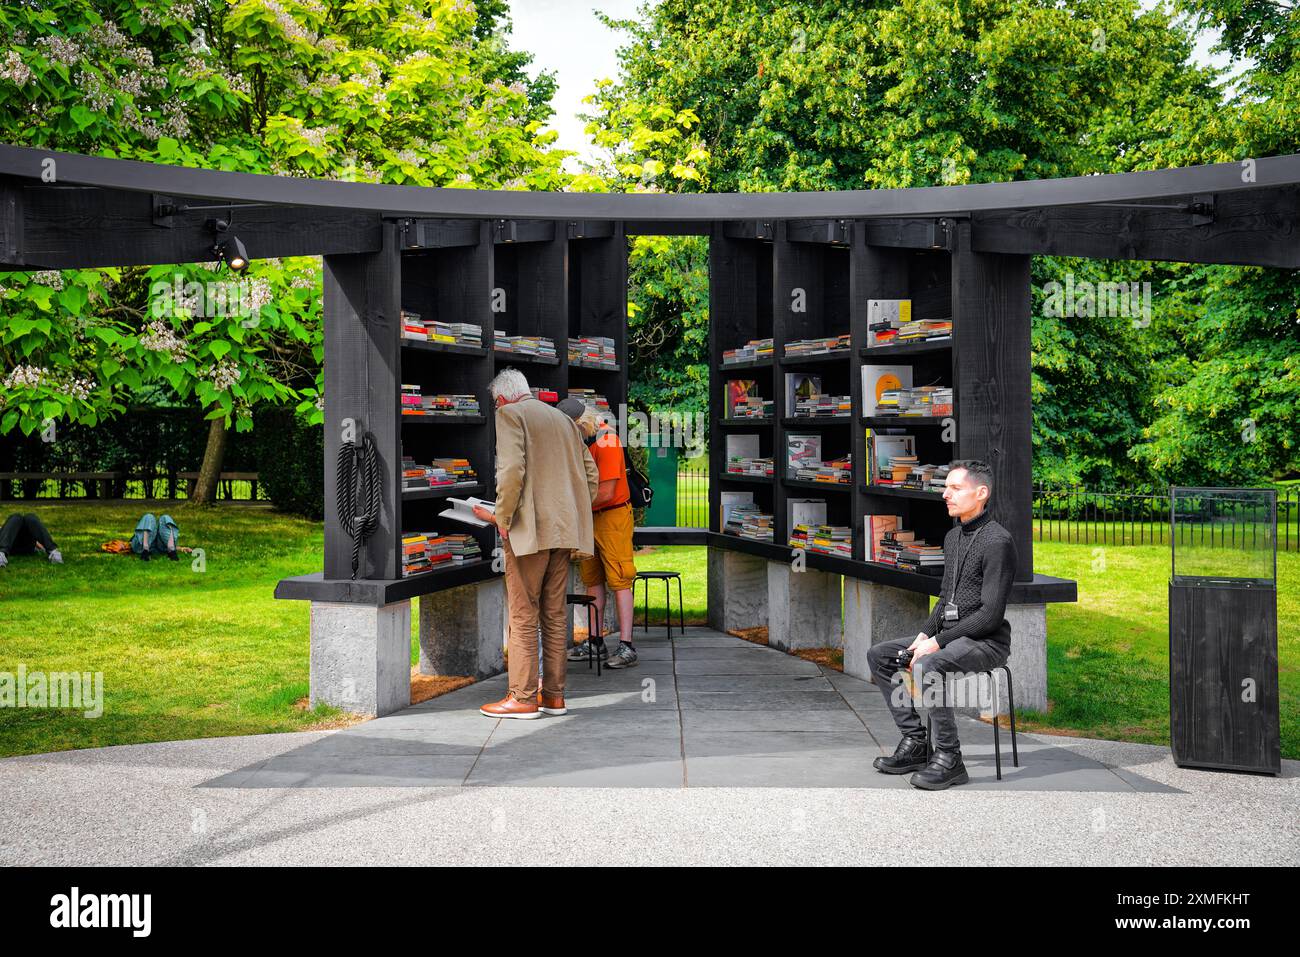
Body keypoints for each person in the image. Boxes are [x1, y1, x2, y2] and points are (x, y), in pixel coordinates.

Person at [865, 459, 1017, 790]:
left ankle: (950, 759)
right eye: (945, 487)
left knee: (929, 665)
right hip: (952, 636)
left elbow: (989, 615)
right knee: (881, 655)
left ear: (981, 493)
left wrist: (936, 643)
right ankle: (916, 743)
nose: (945, 494)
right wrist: (923, 635)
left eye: (955, 488)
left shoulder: (998, 542)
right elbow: (946, 599)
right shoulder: (953, 537)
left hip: (987, 642)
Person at [475, 369, 599, 719]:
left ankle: (523, 697)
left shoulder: (509, 414)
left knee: (523, 613)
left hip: (529, 535)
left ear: (503, 398)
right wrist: (572, 511)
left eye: (496, 401)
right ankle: (554, 696)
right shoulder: (562, 420)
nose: (497, 406)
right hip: (564, 531)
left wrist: (502, 517)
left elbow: (511, 472)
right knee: (555, 614)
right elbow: (591, 475)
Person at [556, 398, 638, 669]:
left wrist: (572, 505)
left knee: (620, 578)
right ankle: (595, 641)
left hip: (612, 516)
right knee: (592, 578)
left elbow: (607, 492)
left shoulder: (606, 440)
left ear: (581, 424)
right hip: (590, 517)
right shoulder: (587, 439)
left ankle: (626, 646)